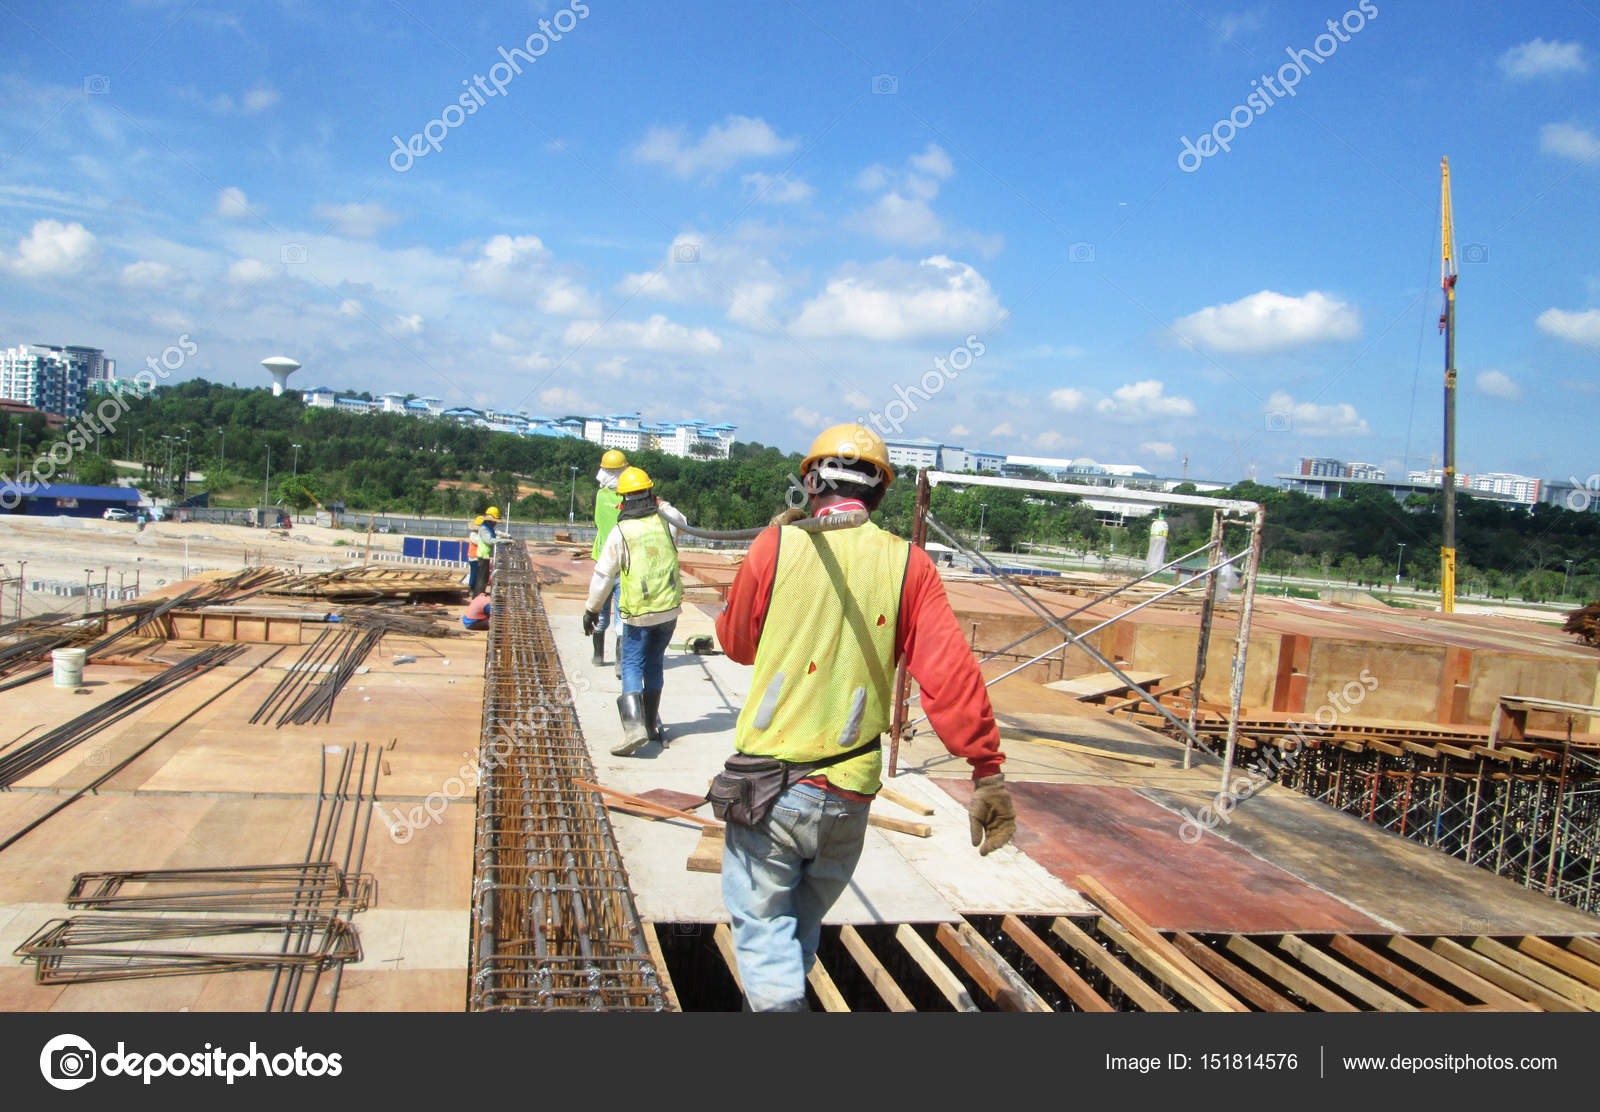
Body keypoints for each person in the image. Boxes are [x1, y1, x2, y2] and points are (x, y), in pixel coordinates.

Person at [712, 422, 1017, 1012]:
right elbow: (950, 675)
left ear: (808, 482)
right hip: (849, 795)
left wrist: (762, 562)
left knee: (763, 929)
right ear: (880, 494)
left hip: (771, 788)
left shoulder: (776, 545)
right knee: (793, 934)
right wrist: (987, 769)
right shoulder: (910, 565)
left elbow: (736, 644)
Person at [583, 467, 687, 756]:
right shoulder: (668, 521)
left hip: (639, 614)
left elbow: (604, 576)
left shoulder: (621, 532)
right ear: (651, 494)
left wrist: (592, 609)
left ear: (623, 499)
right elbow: (682, 519)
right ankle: (651, 725)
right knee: (654, 662)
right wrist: (661, 504)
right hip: (668, 610)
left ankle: (633, 729)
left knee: (631, 664)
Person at [589, 449, 628, 665]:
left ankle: (597, 656)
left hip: (603, 562)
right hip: (622, 566)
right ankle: (620, 664)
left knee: (599, 610)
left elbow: (598, 522)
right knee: (622, 616)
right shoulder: (629, 500)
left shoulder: (601, 495)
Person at [472, 507, 508, 594]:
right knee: (482, 578)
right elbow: (489, 540)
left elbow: (495, 534)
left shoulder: (489, 527)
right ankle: (478, 596)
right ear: (491, 520)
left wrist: (504, 536)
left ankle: (480, 594)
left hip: (486, 556)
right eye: (495, 521)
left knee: (484, 577)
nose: (496, 523)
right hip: (482, 556)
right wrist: (503, 541)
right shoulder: (484, 528)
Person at [464, 515, 482, 589]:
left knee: (477, 574)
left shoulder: (477, 534)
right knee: (474, 574)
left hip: (477, 556)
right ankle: (471, 588)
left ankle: (474, 588)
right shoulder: (473, 534)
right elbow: (479, 542)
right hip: (474, 557)